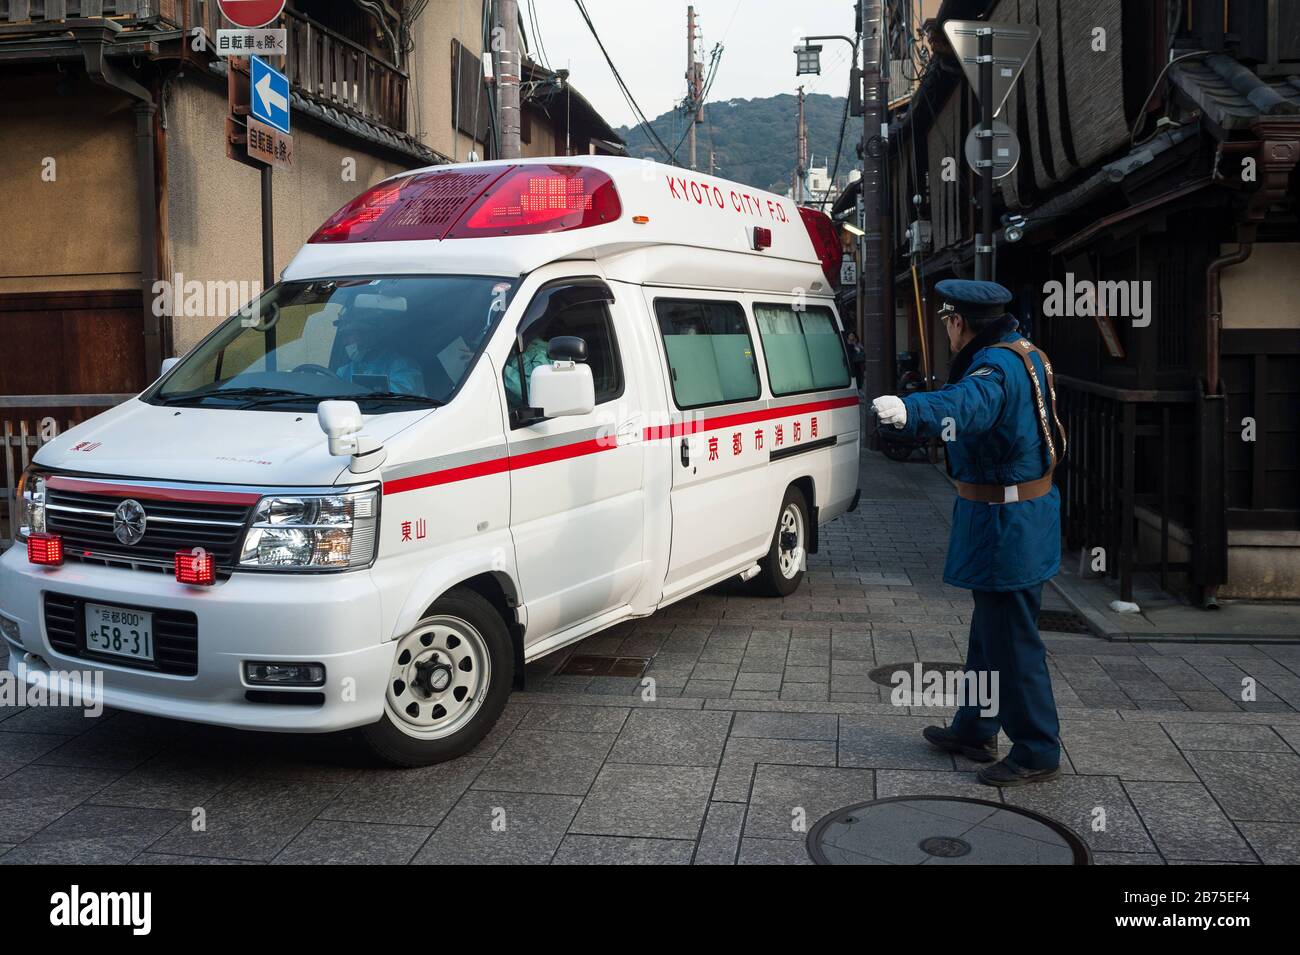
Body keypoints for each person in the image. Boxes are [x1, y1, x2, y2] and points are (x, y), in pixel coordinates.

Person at [871, 279, 1066, 787]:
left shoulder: (994, 368)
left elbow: (968, 403)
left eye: (947, 321)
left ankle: (1038, 748)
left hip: (1008, 525)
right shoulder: (1027, 352)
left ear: (959, 322)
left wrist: (912, 410)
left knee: (1013, 642)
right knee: (990, 633)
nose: (948, 331)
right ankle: (976, 728)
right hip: (1025, 515)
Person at [334, 312, 425, 396]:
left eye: (349, 335)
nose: (344, 342)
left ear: (368, 336)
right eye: (343, 336)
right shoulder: (344, 371)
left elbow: (402, 397)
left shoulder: (402, 366)